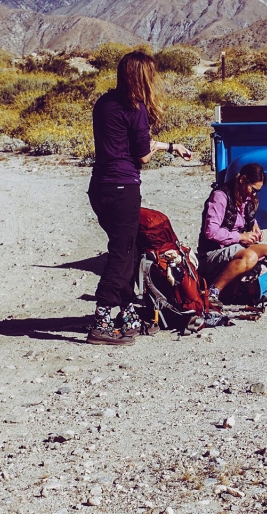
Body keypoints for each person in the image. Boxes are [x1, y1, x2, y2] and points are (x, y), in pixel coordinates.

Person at [88, 51, 193, 345]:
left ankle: (127, 312)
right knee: (122, 252)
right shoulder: (136, 109)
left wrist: (170, 146)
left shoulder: (105, 103)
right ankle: (102, 318)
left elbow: (128, 143)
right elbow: (143, 155)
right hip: (123, 187)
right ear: (143, 77)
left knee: (131, 250)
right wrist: (166, 147)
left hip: (100, 187)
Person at [197, 162, 267, 308]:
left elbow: (246, 220)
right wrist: (240, 236)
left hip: (237, 247)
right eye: (253, 189)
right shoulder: (220, 196)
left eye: (257, 191)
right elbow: (211, 232)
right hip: (212, 252)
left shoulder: (245, 199)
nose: (254, 194)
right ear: (242, 180)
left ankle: (247, 285)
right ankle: (213, 291)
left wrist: (255, 228)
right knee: (250, 256)